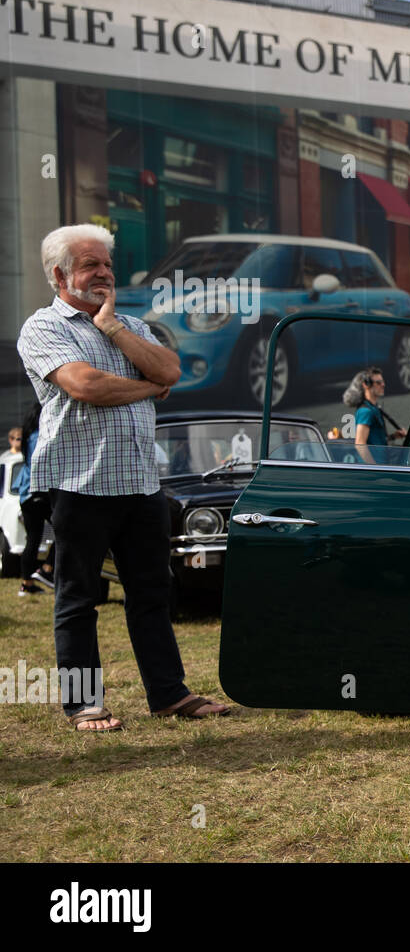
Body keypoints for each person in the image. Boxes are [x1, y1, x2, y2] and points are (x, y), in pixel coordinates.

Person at [16, 223, 230, 731]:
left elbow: (171, 371)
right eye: (91, 264)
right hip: (78, 485)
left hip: (141, 484)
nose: (104, 273)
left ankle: (169, 695)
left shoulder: (131, 324)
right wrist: (145, 385)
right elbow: (86, 386)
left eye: (107, 264)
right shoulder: (44, 328)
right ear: (59, 274)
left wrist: (114, 330)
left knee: (153, 595)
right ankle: (82, 703)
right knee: (79, 597)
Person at [14, 402, 55, 596]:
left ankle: (26, 584)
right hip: (39, 491)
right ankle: (47, 570)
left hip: (26, 494)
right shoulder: (40, 436)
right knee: (67, 529)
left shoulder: (28, 436)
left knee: (33, 539)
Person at [343, 366, 408, 464]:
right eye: (378, 382)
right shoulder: (365, 411)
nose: (383, 384)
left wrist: (393, 437)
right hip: (374, 472)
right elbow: (360, 444)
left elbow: (375, 441)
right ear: (366, 385)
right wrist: (374, 467)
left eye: (382, 381)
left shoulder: (374, 408)